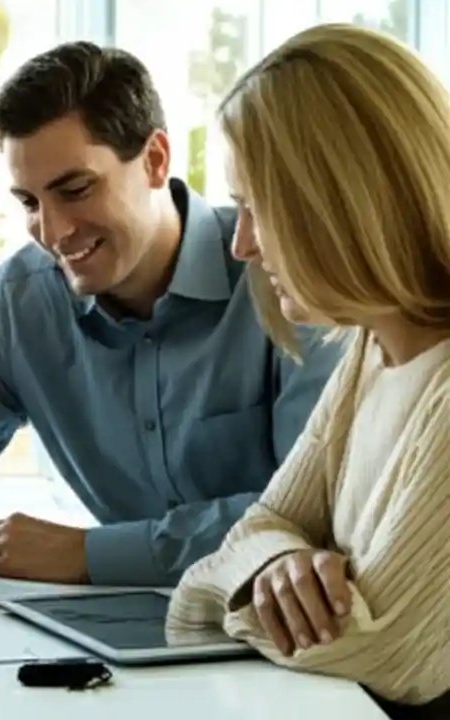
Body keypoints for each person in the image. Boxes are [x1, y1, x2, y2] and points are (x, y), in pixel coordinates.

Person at [0, 40, 343, 594]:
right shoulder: (21, 304)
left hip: (283, 640)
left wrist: (88, 554)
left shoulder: (285, 274)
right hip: (124, 642)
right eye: (29, 202)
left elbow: (309, 513)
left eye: (75, 189)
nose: (53, 231)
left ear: (156, 160)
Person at [165, 24, 450, 717]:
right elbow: (252, 533)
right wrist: (272, 567)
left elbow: (388, 656)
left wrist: (238, 588)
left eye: (260, 207)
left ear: (344, 204)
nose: (241, 244)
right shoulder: (370, 350)